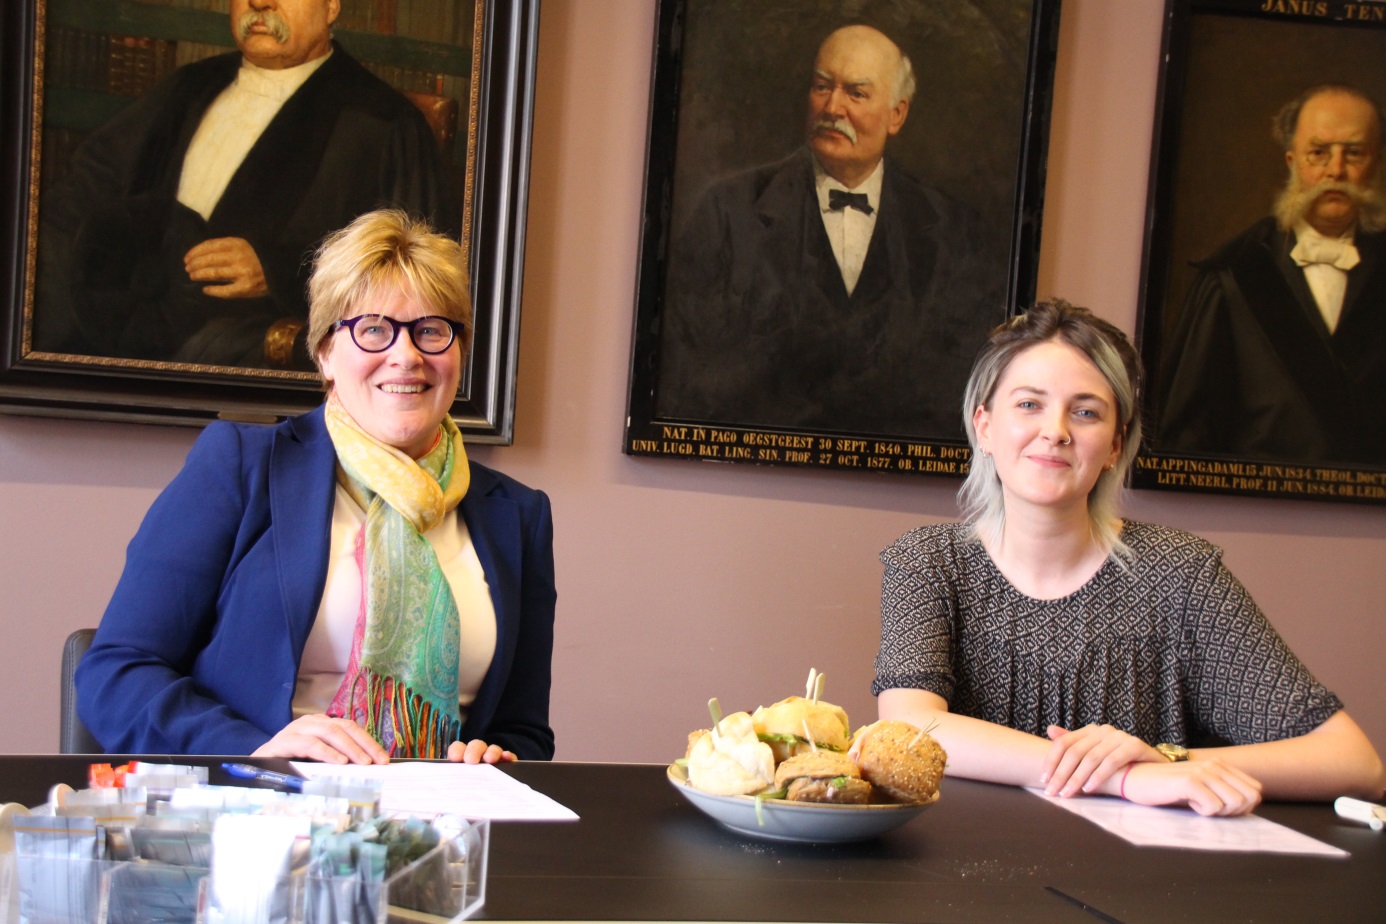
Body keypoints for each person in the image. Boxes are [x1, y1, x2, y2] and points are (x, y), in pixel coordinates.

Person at [75, 209, 555, 763]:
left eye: (431, 330)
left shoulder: (517, 516)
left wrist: (496, 759)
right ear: (326, 352)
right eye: (374, 329)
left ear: (459, 352)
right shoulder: (241, 466)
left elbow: (526, 733)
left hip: (443, 828)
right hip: (264, 814)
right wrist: (256, 751)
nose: (406, 355)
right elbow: (116, 673)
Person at [873, 298, 1384, 816]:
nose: (1056, 430)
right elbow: (911, 727)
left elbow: (1354, 763)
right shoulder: (928, 562)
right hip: (966, 875)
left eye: (1086, 412)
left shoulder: (1182, 574)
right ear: (984, 426)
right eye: (1029, 404)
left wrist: (1168, 762)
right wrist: (1121, 778)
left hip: (1138, 886)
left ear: (1116, 445)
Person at [35, 0, 459, 370]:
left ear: (331, 6)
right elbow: (83, 189)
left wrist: (276, 271)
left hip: (244, 338)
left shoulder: (384, 122)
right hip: (126, 314)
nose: (259, 2)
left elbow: (414, 268)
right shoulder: (189, 86)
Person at [659, 24, 1001, 436]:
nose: (833, 107)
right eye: (823, 87)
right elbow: (691, 369)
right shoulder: (728, 212)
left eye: (856, 93)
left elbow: (959, 383)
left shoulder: (952, 231)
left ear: (897, 114)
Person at [1159, 84, 1386, 464]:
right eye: (1319, 153)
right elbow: (1187, 434)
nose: (1336, 170)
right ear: (1292, 161)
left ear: (1376, 164)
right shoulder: (1235, 274)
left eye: (1354, 153)